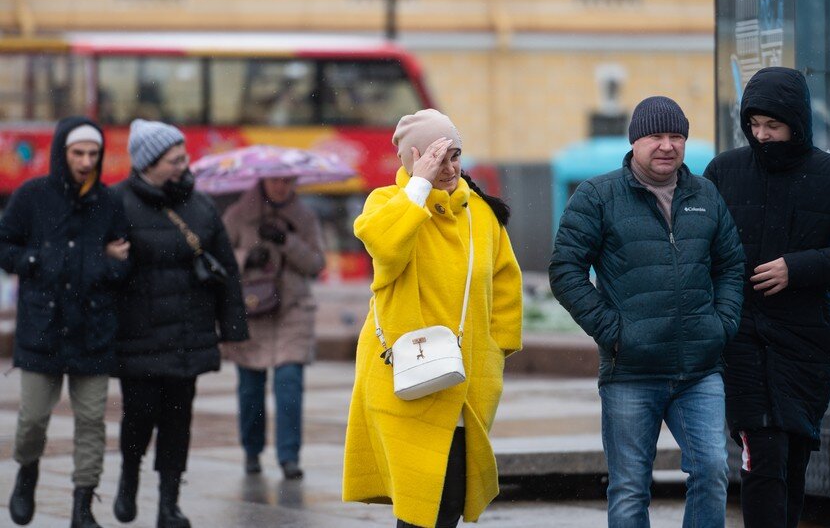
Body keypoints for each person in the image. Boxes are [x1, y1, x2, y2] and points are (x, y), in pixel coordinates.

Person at [703, 67, 830, 528]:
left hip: (805, 343)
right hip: (740, 340)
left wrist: (798, 268)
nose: (762, 136)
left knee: (792, 458)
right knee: (762, 453)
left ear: (797, 125)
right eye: (755, 126)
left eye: (773, 127)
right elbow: (694, 240)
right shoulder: (724, 171)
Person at [550, 96, 745, 528]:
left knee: (713, 471)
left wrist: (722, 324)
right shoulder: (599, 196)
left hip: (699, 370)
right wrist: (616, 332)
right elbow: (565, 271)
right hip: (631, 373)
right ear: (635, 141)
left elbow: (731, 264)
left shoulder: (704, 195)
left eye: (676, 136)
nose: (667, 145)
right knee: (629, 489)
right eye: (656, 136)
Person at [342, 109, 523, 528]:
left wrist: (495, 352)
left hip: (465, 380)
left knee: (448, 504)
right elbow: (387, 250)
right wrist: (419, 186)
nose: (450, 168)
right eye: (437, 158)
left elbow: (505, 284)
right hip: (402, 377)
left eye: (455, 155)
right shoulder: (387, 204)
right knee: (419, 504)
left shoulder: (480, 213)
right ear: (412, 158)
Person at [111, 119, 248, 528]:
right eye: (174, 159)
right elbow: (101, 270)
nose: (184, 165)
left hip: (189, 333)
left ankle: (169, 505)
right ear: (148, 163)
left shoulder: (200, 205)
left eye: (183, 157)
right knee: (138, 415)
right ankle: (129, 477)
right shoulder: (115, 203)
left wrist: (233, 327)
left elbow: (226, 268)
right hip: (138, 334)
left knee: (177, 421)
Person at [0, 117, 130, 528]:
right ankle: (27, 473)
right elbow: (5, 244)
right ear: (62, 152)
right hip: (43, 327)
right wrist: (34, 261)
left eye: (94, 153)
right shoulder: (32, 195)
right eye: (78, 153)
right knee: (33, 418)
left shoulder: (109, 202)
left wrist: (107, 266)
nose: (87, 161)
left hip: (94, 330)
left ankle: (82, 503)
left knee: (91, 420)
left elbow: (126, 262)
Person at [221, 176, 326, 479]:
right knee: (250, 389)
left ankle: (288, 457)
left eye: (288, 181)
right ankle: (251, 452)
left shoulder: (305, 216)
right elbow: (220, 257)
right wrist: (247, 256)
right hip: (252, 310)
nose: (282, 187)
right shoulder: (238, 214)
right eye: (276, 181)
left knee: (289, 383)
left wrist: (286, 242)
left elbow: (317, 264)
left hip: (292, 311)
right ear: (262, 179)